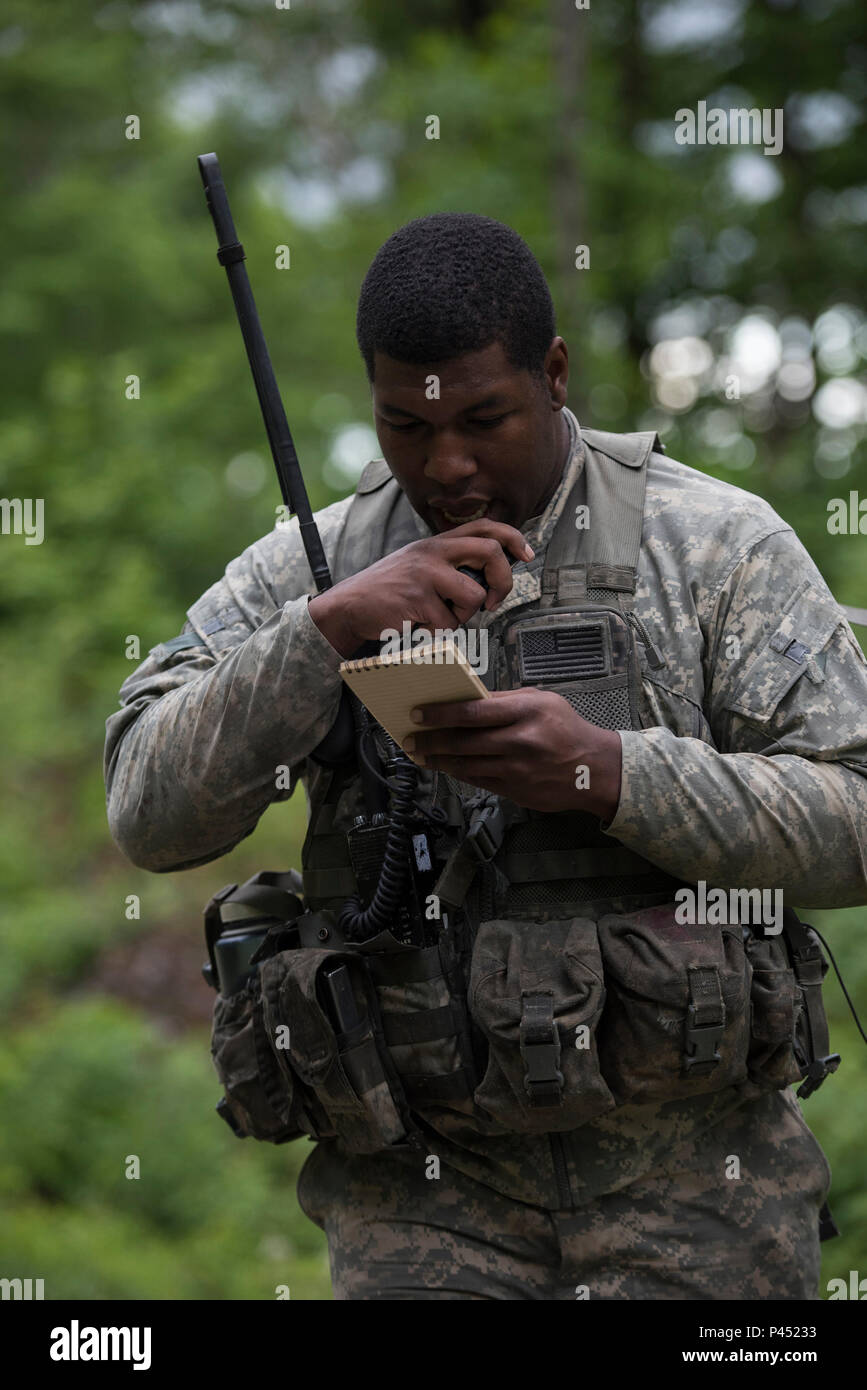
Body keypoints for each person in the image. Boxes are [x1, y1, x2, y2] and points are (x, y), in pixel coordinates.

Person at [104, 213, 867, 1300]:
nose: (448, 465)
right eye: (405, 430)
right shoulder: (314, 570)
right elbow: (147, 812)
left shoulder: (712, 548)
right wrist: (317, 638)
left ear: (554, 374)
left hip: (698, 1199)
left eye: (484, 418)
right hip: (421, 1209)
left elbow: (858, 812)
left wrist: (611, 775)